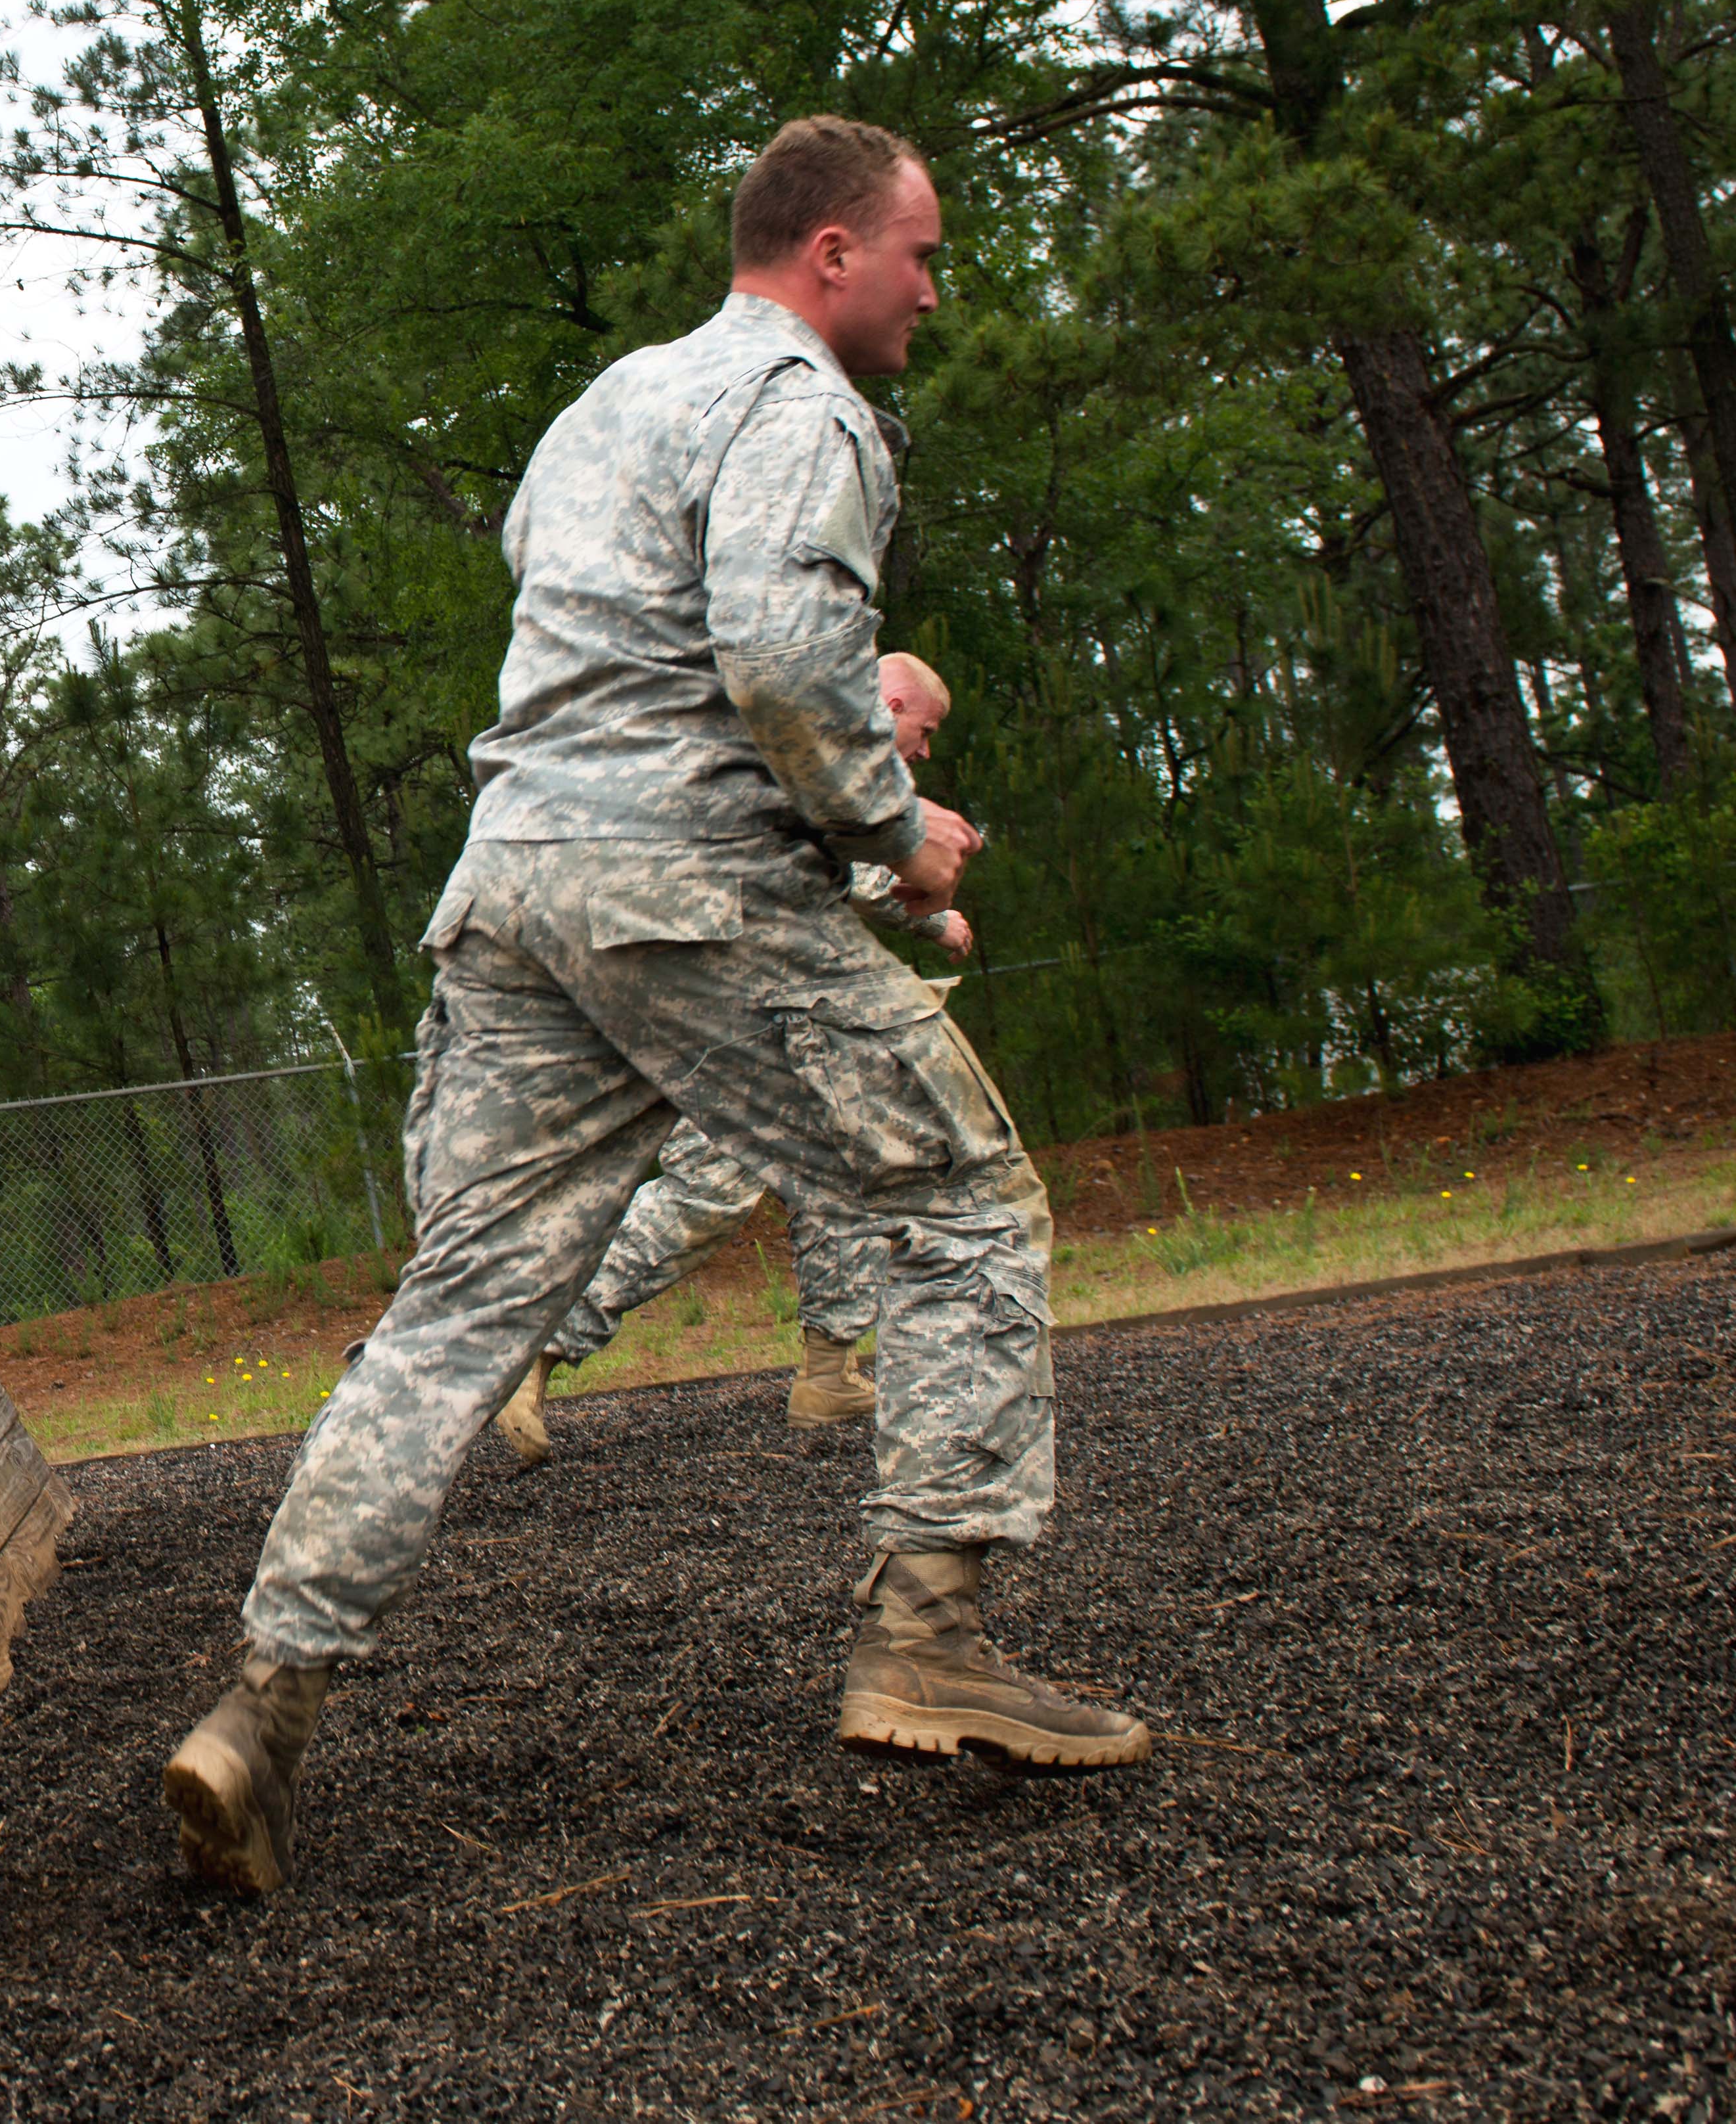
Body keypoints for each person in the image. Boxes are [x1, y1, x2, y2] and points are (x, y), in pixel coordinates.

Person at [162, 117, 1147, 1900]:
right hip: (683, 880)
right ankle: (932, 1629)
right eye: (922, 252)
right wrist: (891, 830)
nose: (938, 288)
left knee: (460, 1313)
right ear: (831, 252)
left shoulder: (606, 403)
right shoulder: (807, 405)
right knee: (964, 1197)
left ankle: (260, 1706)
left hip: (516, 879)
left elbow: (578, 625)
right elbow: (778, 657)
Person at [493, 651, 974, 1458]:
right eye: (921, 731)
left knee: (839, 1164)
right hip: (694, 979)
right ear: (890, 702)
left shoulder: (809, 741)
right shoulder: (799, 737)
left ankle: (829, 1369)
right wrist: (927, 914)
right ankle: (531, 1348)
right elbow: (800, 861)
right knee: (708, 1189)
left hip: (717, 978)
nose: (922, 752)